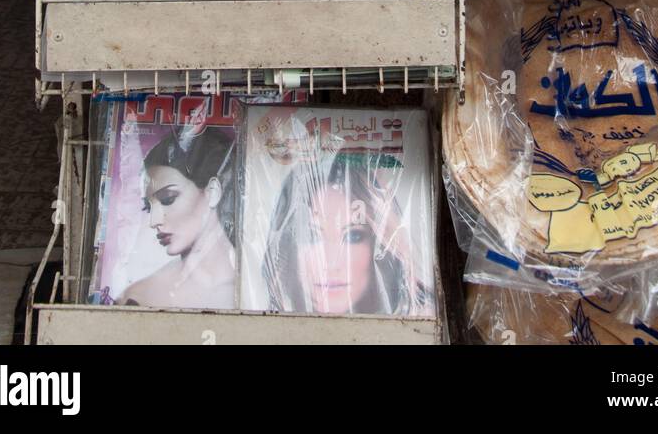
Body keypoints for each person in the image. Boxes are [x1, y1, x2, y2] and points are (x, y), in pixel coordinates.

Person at [261, 152, 434, 316]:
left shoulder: (422, 321)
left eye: (353, 236)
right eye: (312, 237)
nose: (331, 263)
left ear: (382, 245)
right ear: (287, 249)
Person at [116, 127, 236, 309]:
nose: (154, 221)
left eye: (168, 199)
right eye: (148, 207)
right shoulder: (139, 297)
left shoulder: (261, 285)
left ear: (212, 192)